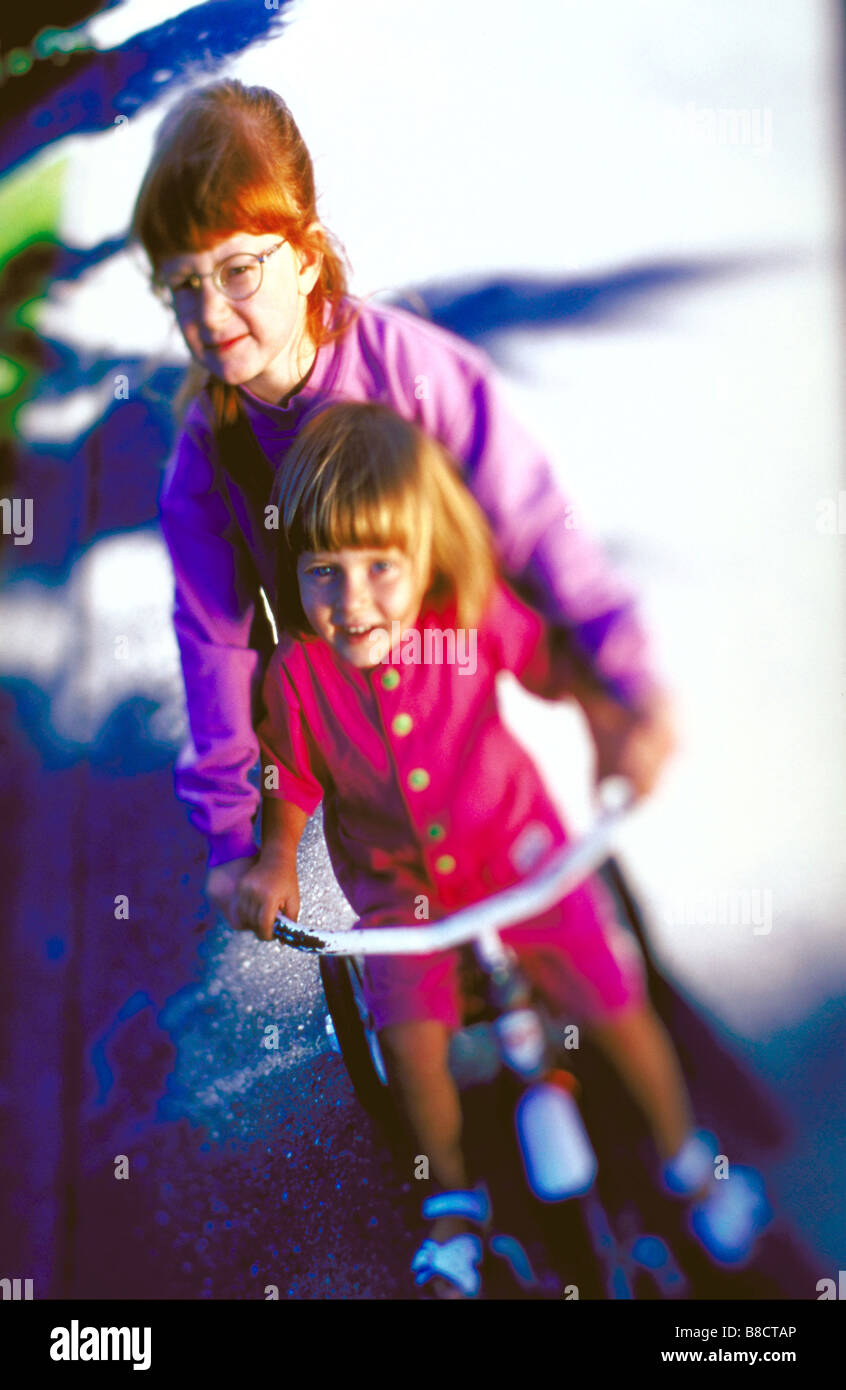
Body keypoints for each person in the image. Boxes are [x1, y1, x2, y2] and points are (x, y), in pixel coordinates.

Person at [234, 401, 771, 1298]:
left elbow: (552, 664)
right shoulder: (299, 674)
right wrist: (274, 857)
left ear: (425, 557)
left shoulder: (467, 617)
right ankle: (451, 1195)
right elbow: (287, 774)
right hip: (402, 896)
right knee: (413, 1047)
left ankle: (682, 1151)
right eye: (324, 573)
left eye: (380, 569)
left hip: (520, 856)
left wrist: (614, 718)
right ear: (298, 573)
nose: (352, 601)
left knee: (611, 994)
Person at [129, 77, 676, 934]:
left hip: (462, 679)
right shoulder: (208, 455)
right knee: (419, 979)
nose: (208, 310)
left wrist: (623, 688)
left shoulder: (415, 372)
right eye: (182, 285)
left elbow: (535, 522)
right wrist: (236, 843)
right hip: (350, 722)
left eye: (238, 269)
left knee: (566, 933)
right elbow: (215, 645)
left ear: (305, 253)